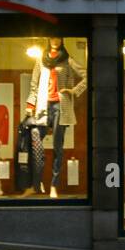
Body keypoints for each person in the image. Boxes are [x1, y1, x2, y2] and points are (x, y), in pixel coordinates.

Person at [22, 36, 87, 198]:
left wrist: (74, 91)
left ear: (62, 40)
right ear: (48, 39)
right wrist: (30, 105)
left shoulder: (67, 60)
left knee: (58, 147)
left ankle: (53, 186)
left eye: (58, 38)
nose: (55, 41)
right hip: (43, 106)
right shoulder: (41, 60)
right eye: (52, 37)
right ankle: (34, 184)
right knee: (35, 142)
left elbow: (87, 75)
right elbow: (34, 85)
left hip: (60, 106)